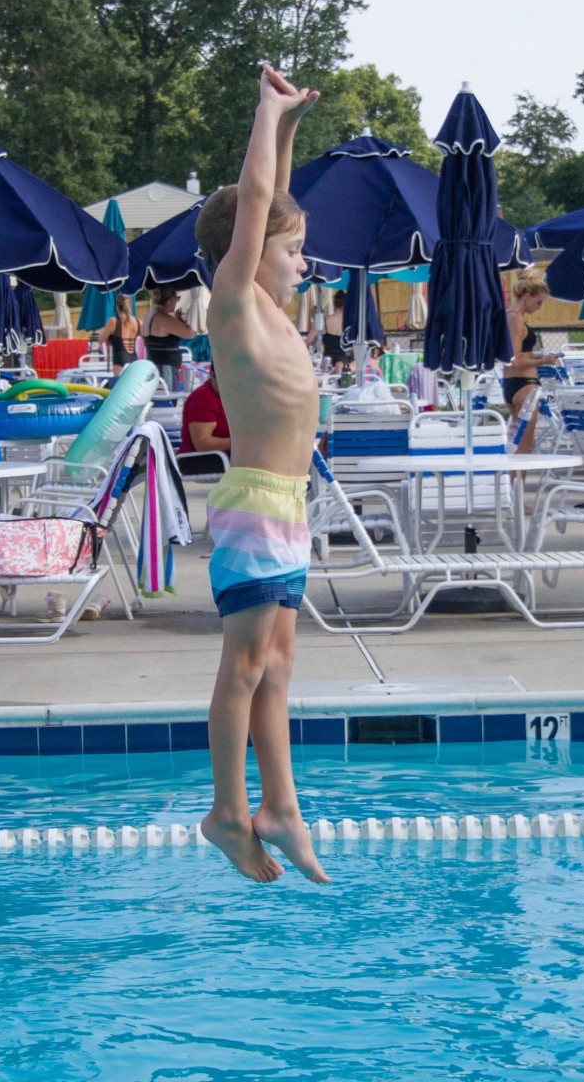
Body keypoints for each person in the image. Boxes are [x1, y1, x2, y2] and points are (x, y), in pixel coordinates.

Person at [194, 62, 329, 885]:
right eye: (294, 251)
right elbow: (252, 203)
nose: (302, 263)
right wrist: (263, 111)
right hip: (252, 511)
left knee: (278, 666)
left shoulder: (271, 311)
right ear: (247, 257)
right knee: (244, 666)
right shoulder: (232, 303)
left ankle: (280, 807)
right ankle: (225, 808)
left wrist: (288, 128)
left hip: (287, 508)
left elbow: (268, 195)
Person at [502, 271, 560, 453]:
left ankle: (514, 482)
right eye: (538, 302)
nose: (539, 307)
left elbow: (518, 353)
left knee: (521, 444)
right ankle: (513, 483)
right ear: (527, 296)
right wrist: (543, 361)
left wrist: (537, 355)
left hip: (514, 384)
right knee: (524, 446)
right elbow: (515, 360)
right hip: (523, 386)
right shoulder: (516, 319)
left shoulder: (509, 315)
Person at [142, 284, 196, 390]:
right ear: (171, 299)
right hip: (166, 366)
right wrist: (180, 319)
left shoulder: (150, 314)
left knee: (159, 399)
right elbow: (190, 333)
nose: (176, 303)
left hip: (154, 363)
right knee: (170, 400)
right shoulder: (162, 318)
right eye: (177, 299)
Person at [177, 362, 231, 456]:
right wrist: (244, 443)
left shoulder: (235, 397)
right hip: (200, 460)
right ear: (212, 375)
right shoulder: (203, 398)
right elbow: (203, 444)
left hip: (226, 457)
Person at [306, 289, 351, 372]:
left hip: (327, 360)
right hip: (343, 359)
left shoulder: (324, 320)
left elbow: (309, 339)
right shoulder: (349, 322)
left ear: (334, 304)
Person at [97, 295, 142, 376]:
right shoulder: (138, 322)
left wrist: (101, 332)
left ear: (116, 305)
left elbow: (101, 340)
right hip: (134, 361)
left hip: (119, 362)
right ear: (130, 304)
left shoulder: (113, 321)